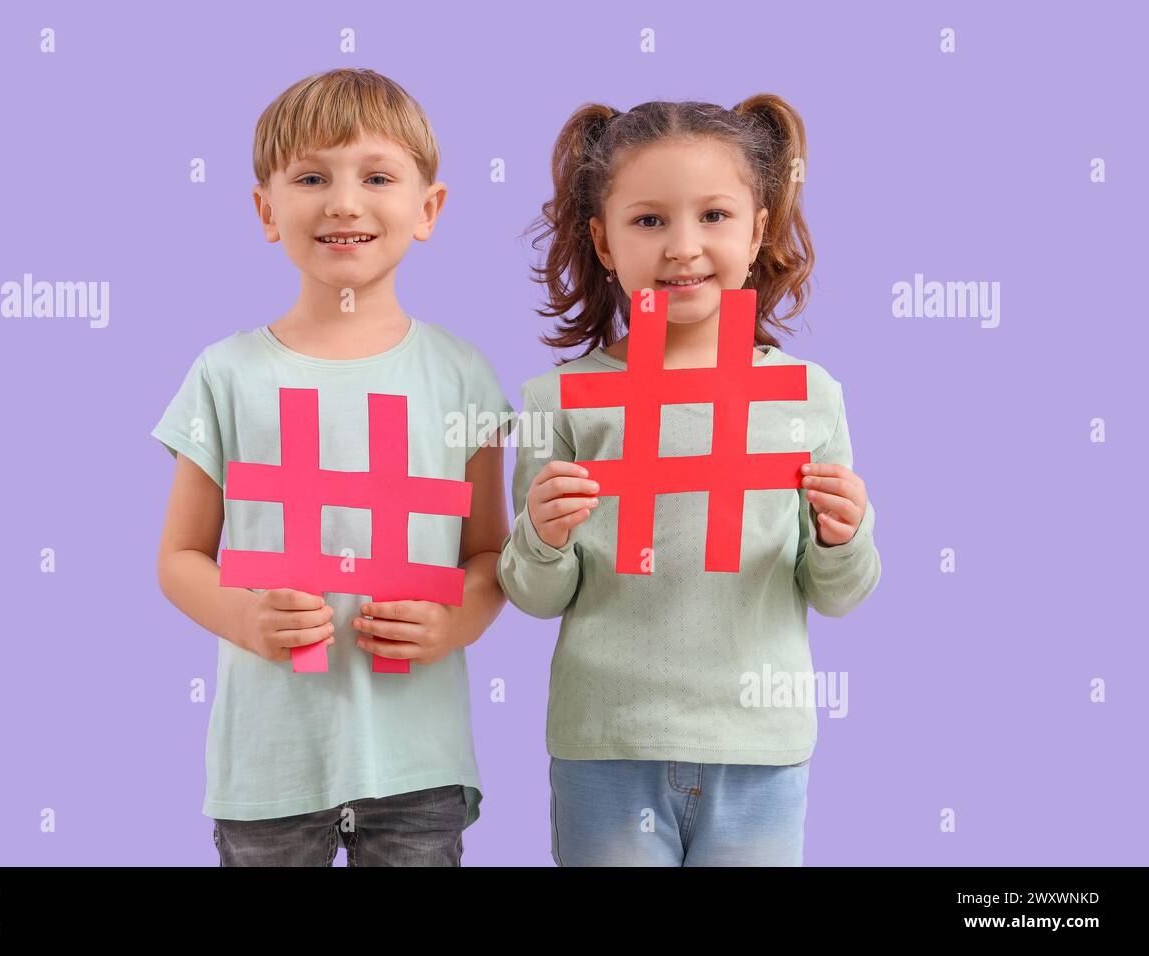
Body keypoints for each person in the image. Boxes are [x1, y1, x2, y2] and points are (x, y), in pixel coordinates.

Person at [497, 95, 881, 866]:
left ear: (758, 229)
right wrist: (540, 538)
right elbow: (537, 598)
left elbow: (838, 592)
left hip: (759, 747)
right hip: (607, 742)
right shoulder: (559, 401)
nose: (683, 247)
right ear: (604, 242)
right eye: (649, 221)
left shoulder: (809, 396)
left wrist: (846, 536)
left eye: (713, 216)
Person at [152, 68, 512, 866]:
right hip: (269, 767)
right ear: (265, 209)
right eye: (311, 177)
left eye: (377, 177)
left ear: (428, 209)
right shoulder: (227, 374)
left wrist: (455, 620)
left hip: (417, 764)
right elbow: (179, 559)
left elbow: (491, 554)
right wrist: (246, 617)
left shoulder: (462, 376)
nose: (344, 202)